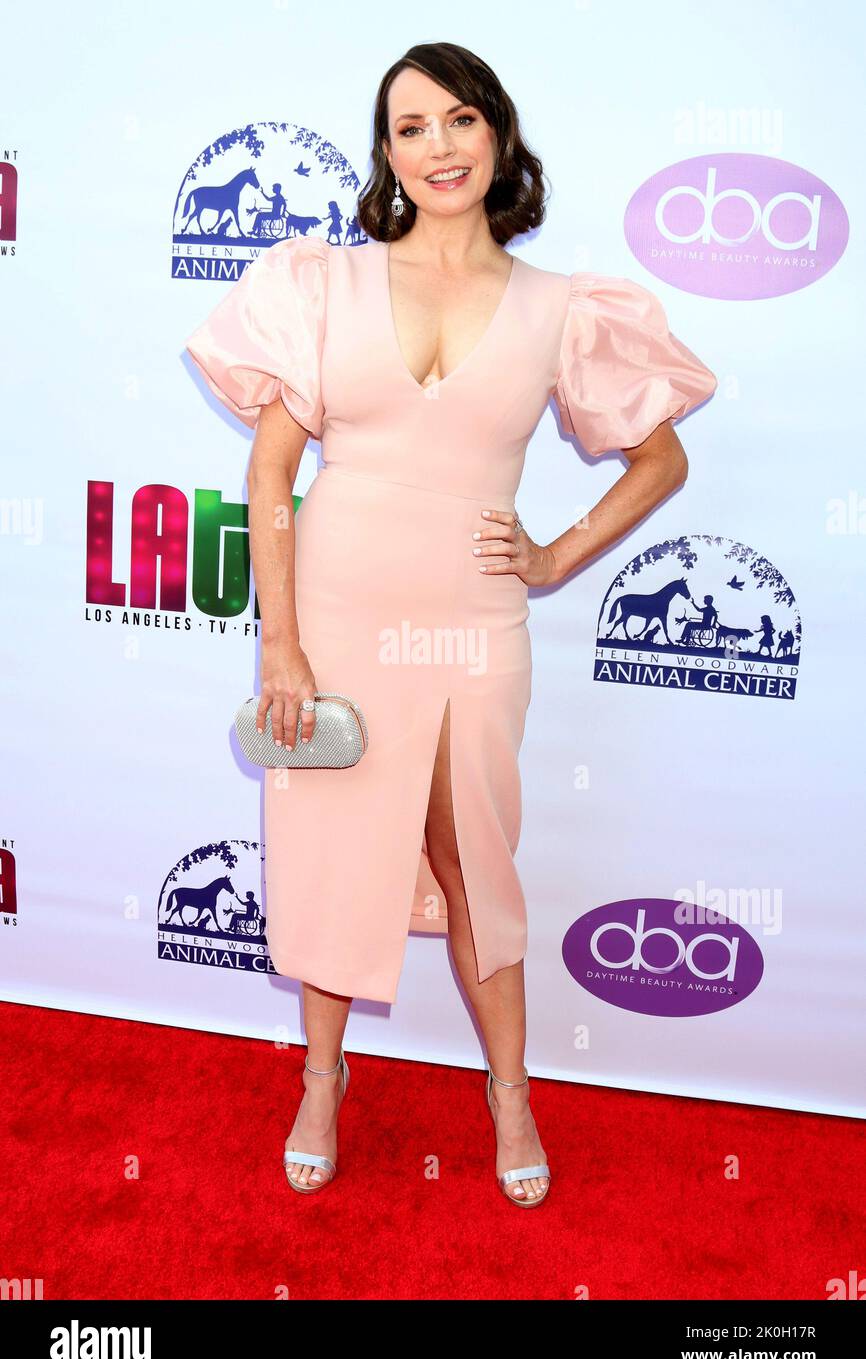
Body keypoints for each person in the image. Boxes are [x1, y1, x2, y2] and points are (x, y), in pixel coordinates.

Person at [184, 42, 717, 1208]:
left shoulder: (559, 308)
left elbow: (660, 454)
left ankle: (509, 1093)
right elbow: (272, 472)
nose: (437, 147)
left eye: (460, 120)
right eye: (410, 127)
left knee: (474, 855)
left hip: (473, 618)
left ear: (498, 137)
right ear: (385, 152)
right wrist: (280, 638)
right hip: (333, 606)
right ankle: (320, 1079)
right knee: (330, 852)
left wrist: (554, 554)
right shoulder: (320, 282)